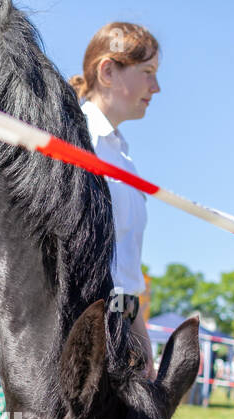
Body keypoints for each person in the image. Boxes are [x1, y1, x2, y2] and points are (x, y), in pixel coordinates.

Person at [70, 22, 161, 379]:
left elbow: (126, 267)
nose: (156, 87)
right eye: (147, 73)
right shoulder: (77, 140)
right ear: (108, 71)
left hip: (118, 326)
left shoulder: (122, 156)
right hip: (81, 333)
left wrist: (140, 340)